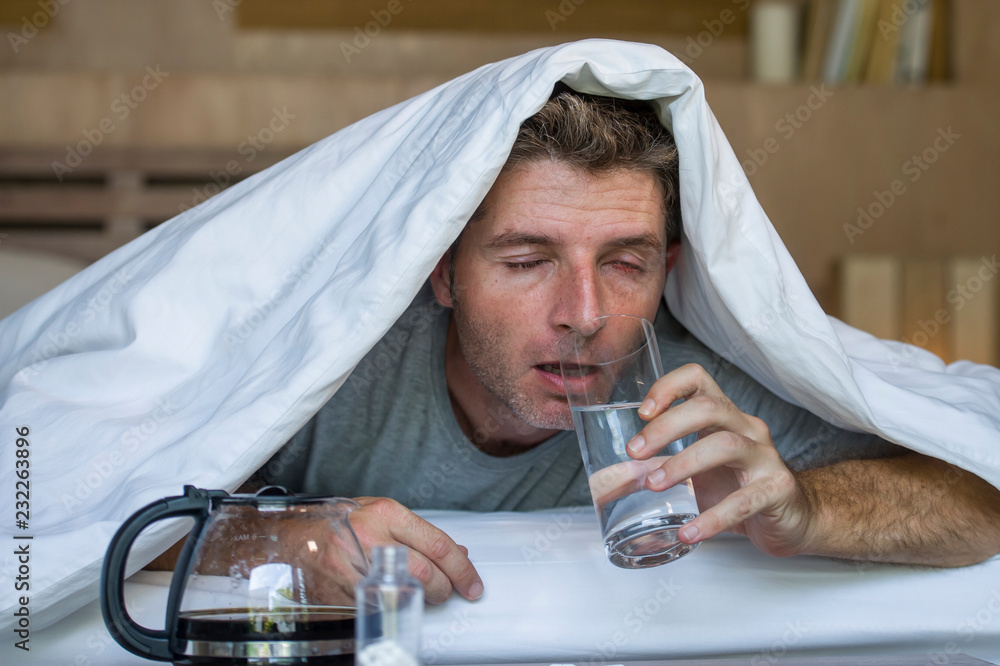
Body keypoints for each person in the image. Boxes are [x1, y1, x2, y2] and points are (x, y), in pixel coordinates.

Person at [258, 87, 1000, 604]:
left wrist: (805, 509)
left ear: (669, 272)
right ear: (443, 273)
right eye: (526, 261)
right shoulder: (337, 370)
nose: (585, 315)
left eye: (625, 263)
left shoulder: (688, 393)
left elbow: (979, 500)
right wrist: (282, 542)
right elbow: (143, 494)